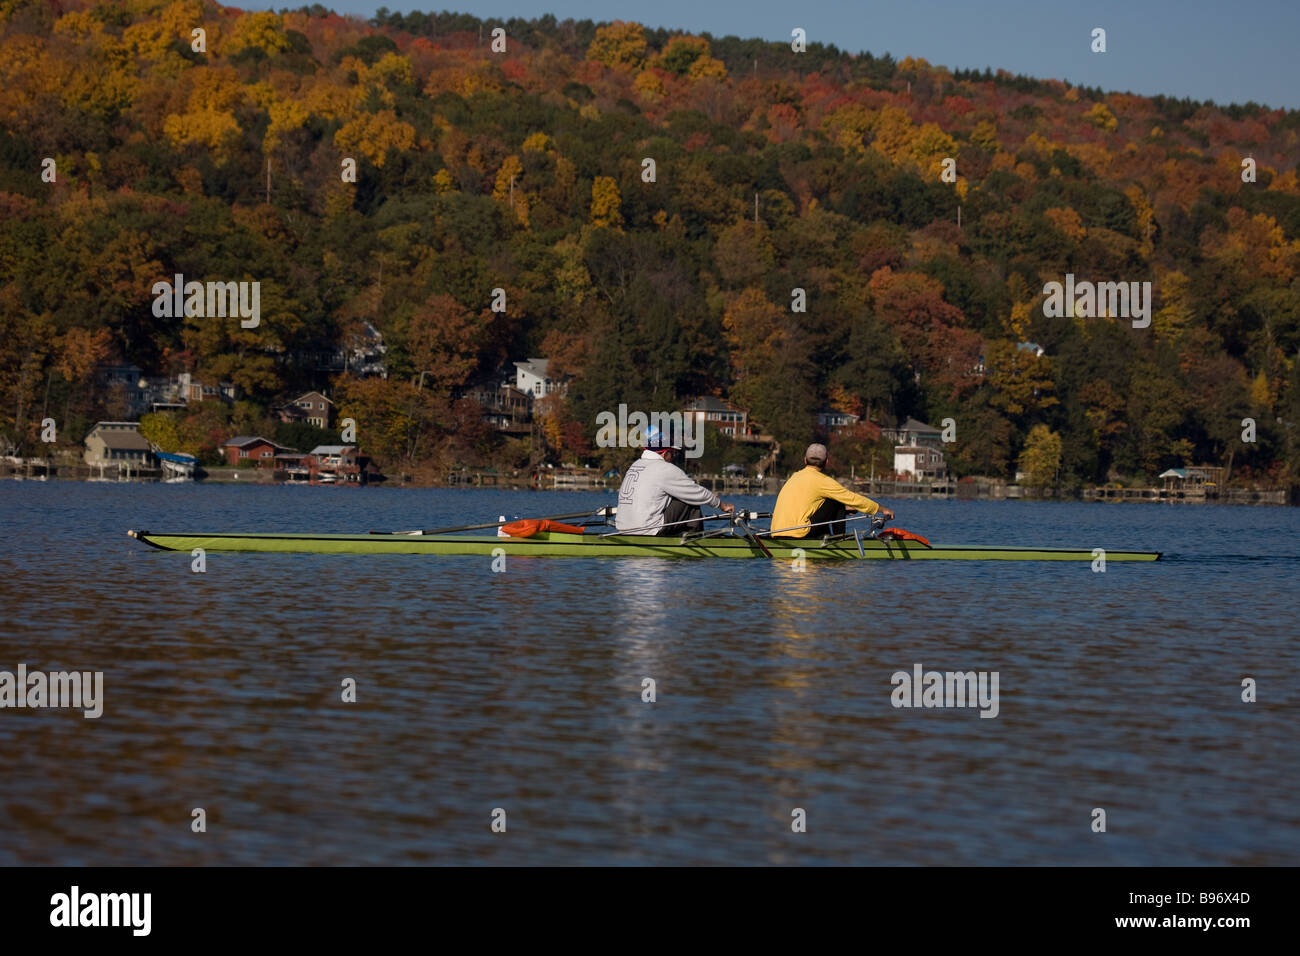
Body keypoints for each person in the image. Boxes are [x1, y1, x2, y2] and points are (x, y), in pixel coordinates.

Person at [616, 423, 735, 535]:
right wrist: (721, 505)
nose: (673, 456)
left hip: (622, 527)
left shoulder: (635, 464)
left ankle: (680, 535)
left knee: (684, 496)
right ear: (664, 453)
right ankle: (696, 541)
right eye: (672, 452)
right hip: (647, 529)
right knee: (691, 500)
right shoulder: (664, 469)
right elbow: (695, 492)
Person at [770, 443, 893, 537]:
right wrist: (881, 509)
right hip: (799, 533)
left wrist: (843, 510)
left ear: (805, 460)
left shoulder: (794, 477)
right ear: (826, 462)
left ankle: (825, 536)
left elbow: (808, 507)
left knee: (837, 504)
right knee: (837, 501)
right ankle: (839, 541)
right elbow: (852, 498)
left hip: (776, 532)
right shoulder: (823, 481)